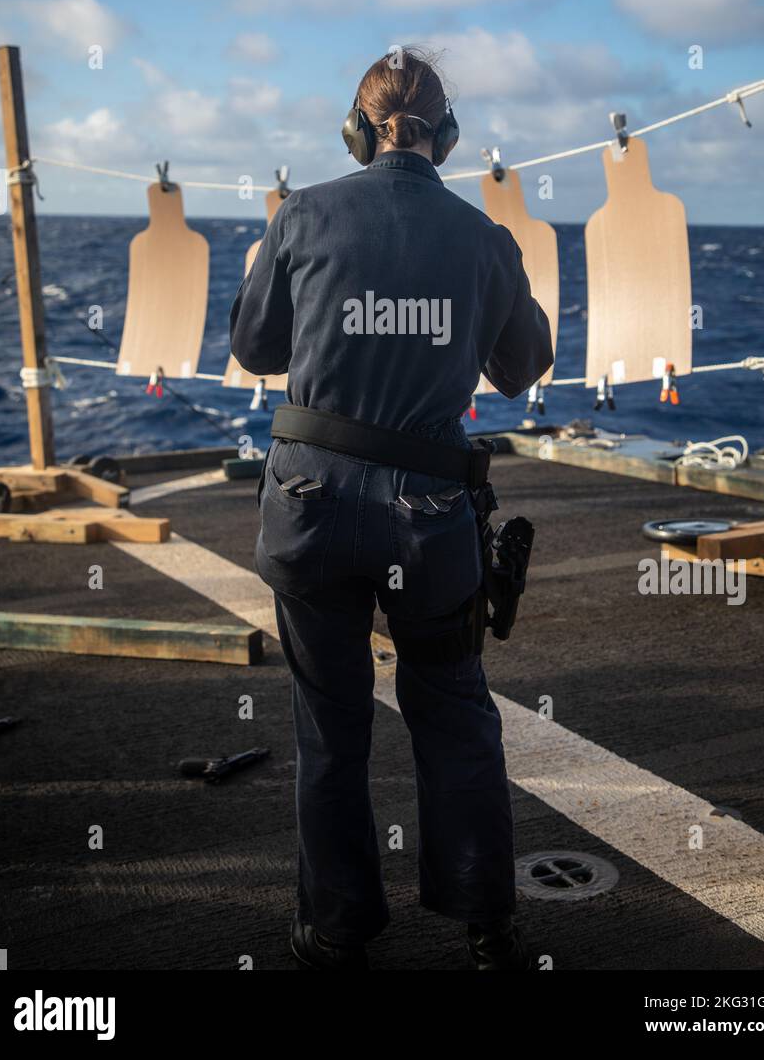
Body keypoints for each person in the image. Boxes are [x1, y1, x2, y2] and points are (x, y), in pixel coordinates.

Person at [230, 49, 553, 970]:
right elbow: (524, 366)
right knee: (453, 710)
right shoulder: (485, 238)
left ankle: (337, 931)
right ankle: (489, 924)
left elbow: (256, 349)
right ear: (445, 137)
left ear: (355, 130)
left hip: (308, 511)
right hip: (431, 520)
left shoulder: (303, 213)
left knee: (329, 726)